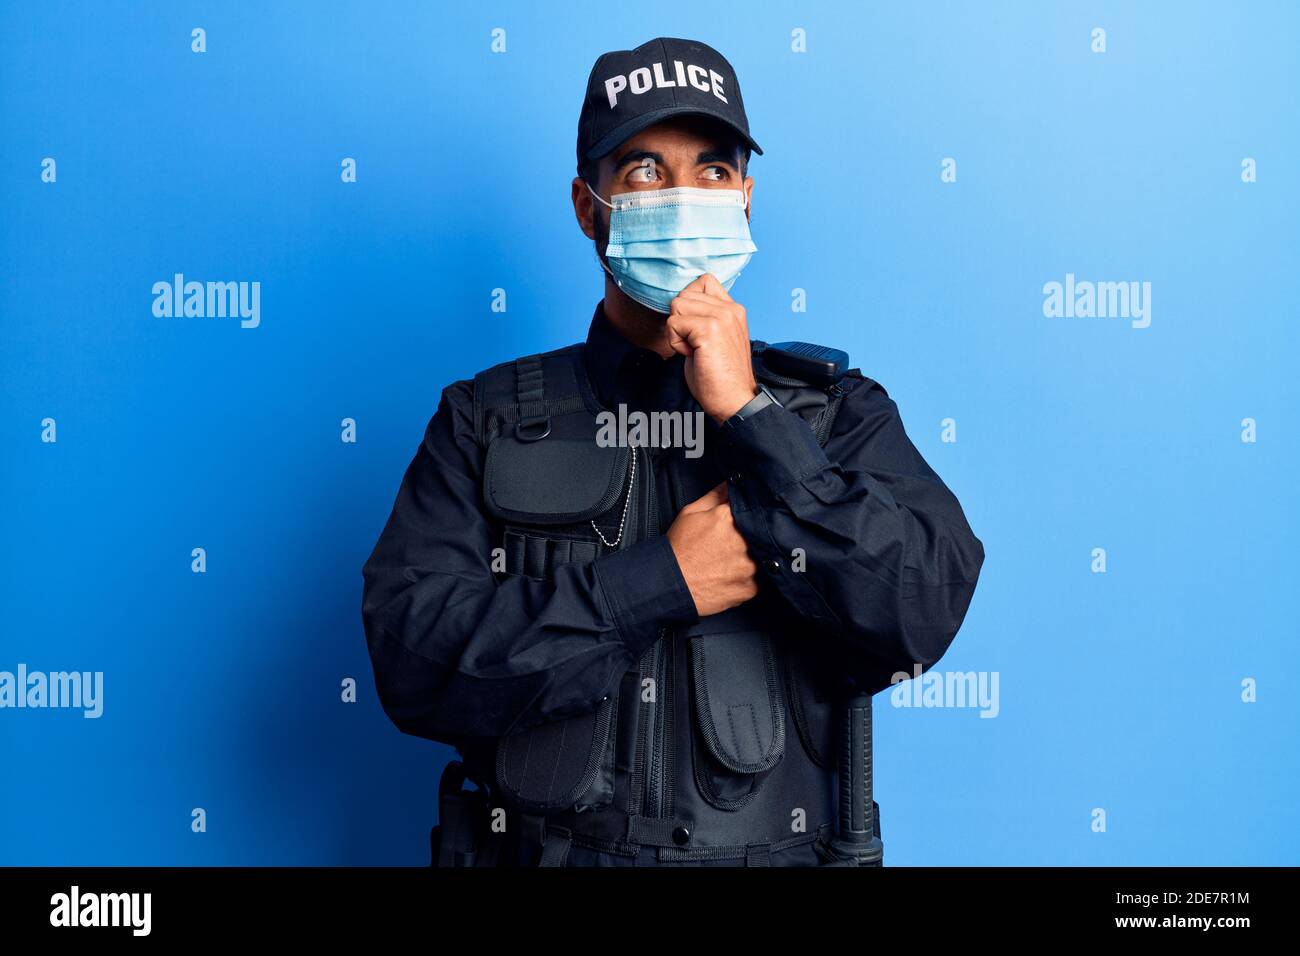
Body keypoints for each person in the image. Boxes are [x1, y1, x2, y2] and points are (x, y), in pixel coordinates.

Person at [361, 36, 985, 867]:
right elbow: (410, 660)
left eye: (714, 172)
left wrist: (753, 417)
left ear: (748, 200)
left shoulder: (835, 413)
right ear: (589, 206)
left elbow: (922, 610)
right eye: (645, 170)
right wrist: (651, 586)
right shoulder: (485, 418)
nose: (684, 198)